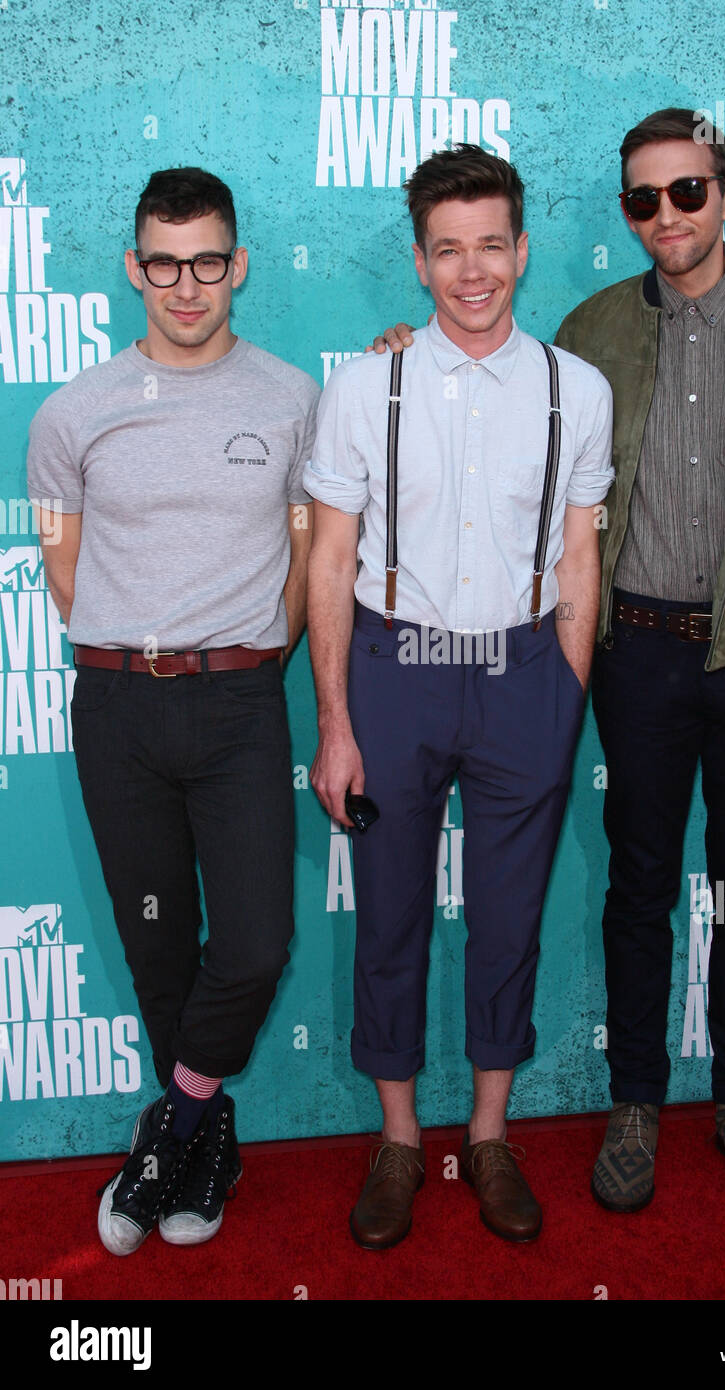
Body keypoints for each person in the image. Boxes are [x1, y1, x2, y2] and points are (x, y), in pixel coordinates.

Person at [374, 110, 725, 1216]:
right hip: (637, 656)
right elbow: (494, 414)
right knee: (638, 888)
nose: (666, 216)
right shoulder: (589, 332)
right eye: (642, 200)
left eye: (686, 192)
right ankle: (635, 1103)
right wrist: (395, 355)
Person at [304, 144, 613, 1248]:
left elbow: (579, 549)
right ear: (420, 261)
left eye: (490, 244)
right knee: (385, 916)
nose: (471, 270)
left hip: (525, 675)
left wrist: (563, 688)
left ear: (520, 250)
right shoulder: (364, 386)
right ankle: (397, 1141)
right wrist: (336, 721)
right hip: (396, 674)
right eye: (448, 249)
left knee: (508, 921)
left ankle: (487, 1132)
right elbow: (328, 558)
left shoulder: (576, 391)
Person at [27, 167, 318, 1254]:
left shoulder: (291, 397)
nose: (185, 284)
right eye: (164, 261)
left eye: (207, 261)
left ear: (236, 265)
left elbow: (305, 553)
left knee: (252, 939)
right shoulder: (75, 409)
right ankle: (208, 1144)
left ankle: (168, 1128)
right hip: (116, 705)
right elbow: (64, 559)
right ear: (133, 267)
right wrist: (133, 643)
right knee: (158, 948)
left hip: (241, 702)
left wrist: (251, 654)